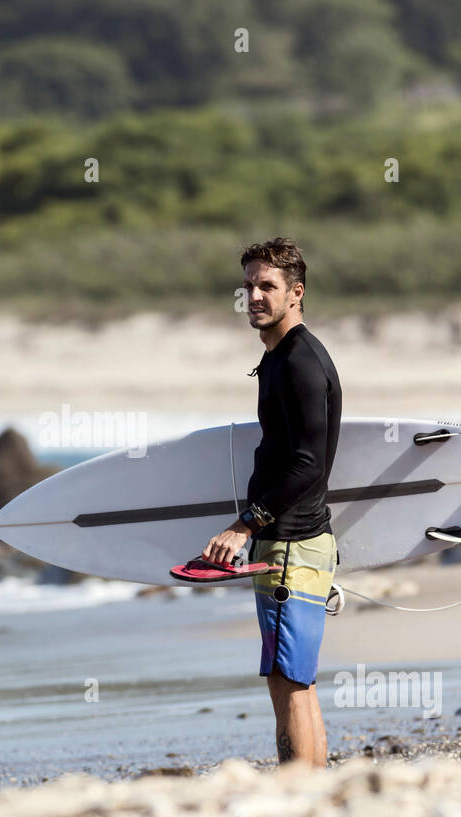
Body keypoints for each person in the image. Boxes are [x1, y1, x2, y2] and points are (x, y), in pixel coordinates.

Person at [202, 237, 342, 767]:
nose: (254, 297)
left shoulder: (301, 362)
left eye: (267, 286)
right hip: (290, 542)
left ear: (296, 292)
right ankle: (313, 784)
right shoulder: (281, 358)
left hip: (292, 544)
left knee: (287, 679)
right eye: (248, 287)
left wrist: (244, 525)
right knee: (295, 678)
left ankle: (298, 786)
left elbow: (308, 464)